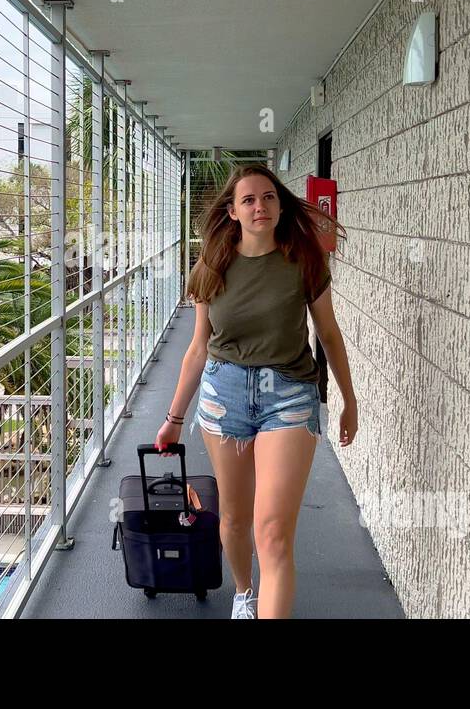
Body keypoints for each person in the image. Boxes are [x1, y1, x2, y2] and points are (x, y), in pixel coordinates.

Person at [154, 163, 358, 619]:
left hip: (288, 396)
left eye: (268, 197)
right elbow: (196, 349)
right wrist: (173, 419)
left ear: (280, 205)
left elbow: (329, 332)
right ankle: (244, 594)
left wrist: (348, 398)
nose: (259, 206)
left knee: (272, 532)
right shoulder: (212, 265)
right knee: (234, 518)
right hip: (223, 397)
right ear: (232, 211)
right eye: (248, 199)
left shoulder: (303, 259)